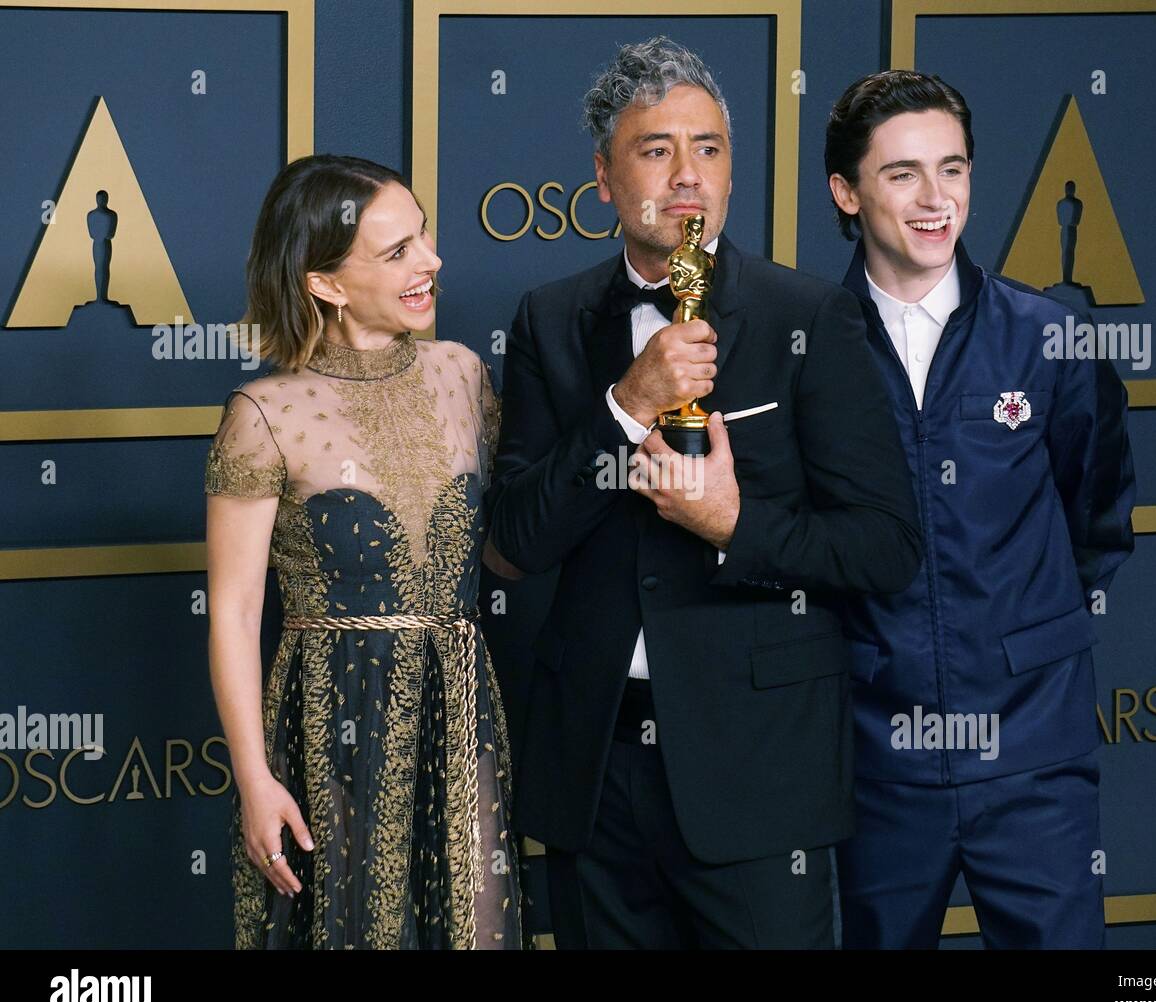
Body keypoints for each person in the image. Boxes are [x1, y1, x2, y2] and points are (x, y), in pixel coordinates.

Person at [485, 37, 921, 949]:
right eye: (656, 150)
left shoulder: (811, 316)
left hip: (759, 773)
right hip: (595, 772)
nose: (689, 176)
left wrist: (734, 525)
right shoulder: (550, 320)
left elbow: (884, 545)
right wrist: (623, 404)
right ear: (602, 177)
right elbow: (514, 543)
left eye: (710, 149)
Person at [825, 70, 1137, 949]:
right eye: (903, 174)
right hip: (874, 751)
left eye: (953, 169)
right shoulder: (807, 348)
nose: (936, 200)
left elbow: (1097, 508)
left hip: (1034, 746)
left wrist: (1022, 626)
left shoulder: (1050, 340)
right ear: (846, 192)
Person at [205, 155, 524, 949]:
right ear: (327, 284)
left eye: (422, 236)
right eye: (397, 252)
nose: (431, 262)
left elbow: (512, 544)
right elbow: (237, 612)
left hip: (460, 710)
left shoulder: (463, 375)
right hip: (331, 718)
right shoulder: (264, 413)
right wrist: (253, 778)